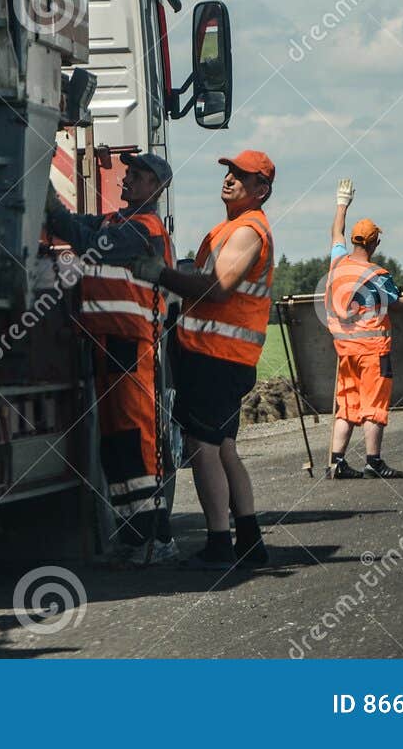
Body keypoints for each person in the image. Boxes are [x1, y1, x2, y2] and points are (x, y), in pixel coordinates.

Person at [45, 152, 173, 566]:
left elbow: (80, 237)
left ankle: (155, 539)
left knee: (137, 441)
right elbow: (77, 227)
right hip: (109, 342)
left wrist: (47, 196)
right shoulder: (116, 223)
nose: (128, 178)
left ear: (155, 187)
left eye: (138, 175)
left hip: (131, 343)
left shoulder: (143, 230)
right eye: (129, 172)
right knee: (117, 444)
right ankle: (135, 537)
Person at [151, 150, 276, 570]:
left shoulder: (247, 230)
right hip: (221, 357)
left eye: (243, 176)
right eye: (229, 171)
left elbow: (219, 289)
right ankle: (250, 542)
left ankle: (220, 544)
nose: (231, 179)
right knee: (223, 449)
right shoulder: (228, 229)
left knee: (202, 448)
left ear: (262, 190)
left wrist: (159, 274)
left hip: (217, 359)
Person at [323, 179, 403, 479]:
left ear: (355, 241)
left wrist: (342, 204)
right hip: (372, 351)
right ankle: (373, 461)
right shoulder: (377, 275)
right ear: (374, 243)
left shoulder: (338, 264)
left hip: (345, 351)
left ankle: (337, 461)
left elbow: (335, 233)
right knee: (374, 405)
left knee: (347, 404)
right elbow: (398, 305)